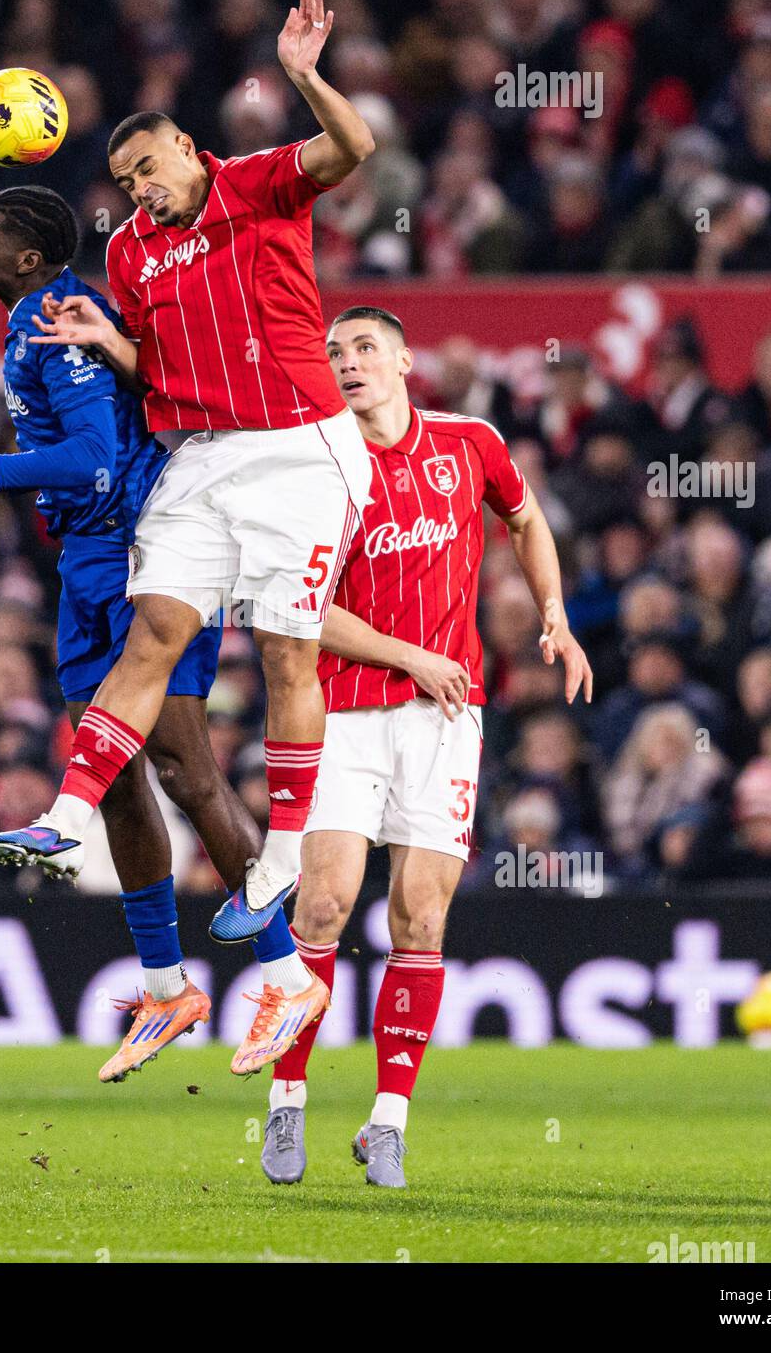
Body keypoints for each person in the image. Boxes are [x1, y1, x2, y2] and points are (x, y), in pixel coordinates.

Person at [7, 0, 377, 946]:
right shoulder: (130, 253)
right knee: (153, 632)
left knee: (291, 651)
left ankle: (283, 860)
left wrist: (303, 76)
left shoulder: (259, 183)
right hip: (201, 456)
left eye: (147, 171)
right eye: (125, 183)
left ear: (185, 150)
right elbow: (161, 372)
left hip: (302, 446)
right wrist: (103, 334)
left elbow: (355, 150)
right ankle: (68, 817)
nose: (139, 192)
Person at [0, 185, 291, 1083]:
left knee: (187, 768)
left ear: (30, 258)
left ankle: (285, 972)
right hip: (86, 556)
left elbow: (99, 458)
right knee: (114, 776)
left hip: (141, 552)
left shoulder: (53, 315)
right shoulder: (27, 320)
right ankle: (165, 987)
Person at [251, 306, 592, 1189]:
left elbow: (525, 521)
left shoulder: (469, 442)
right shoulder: (315, 467)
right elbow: (305, 612)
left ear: (404, 360)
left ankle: (388, 1123)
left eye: (365, 348)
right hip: (345, 714)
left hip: (447, 721)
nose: (349, 362)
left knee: (423, 918)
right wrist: (412, 656)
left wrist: (552, 612)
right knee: (322, 907)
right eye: (334, 353)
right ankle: (286, 1105)